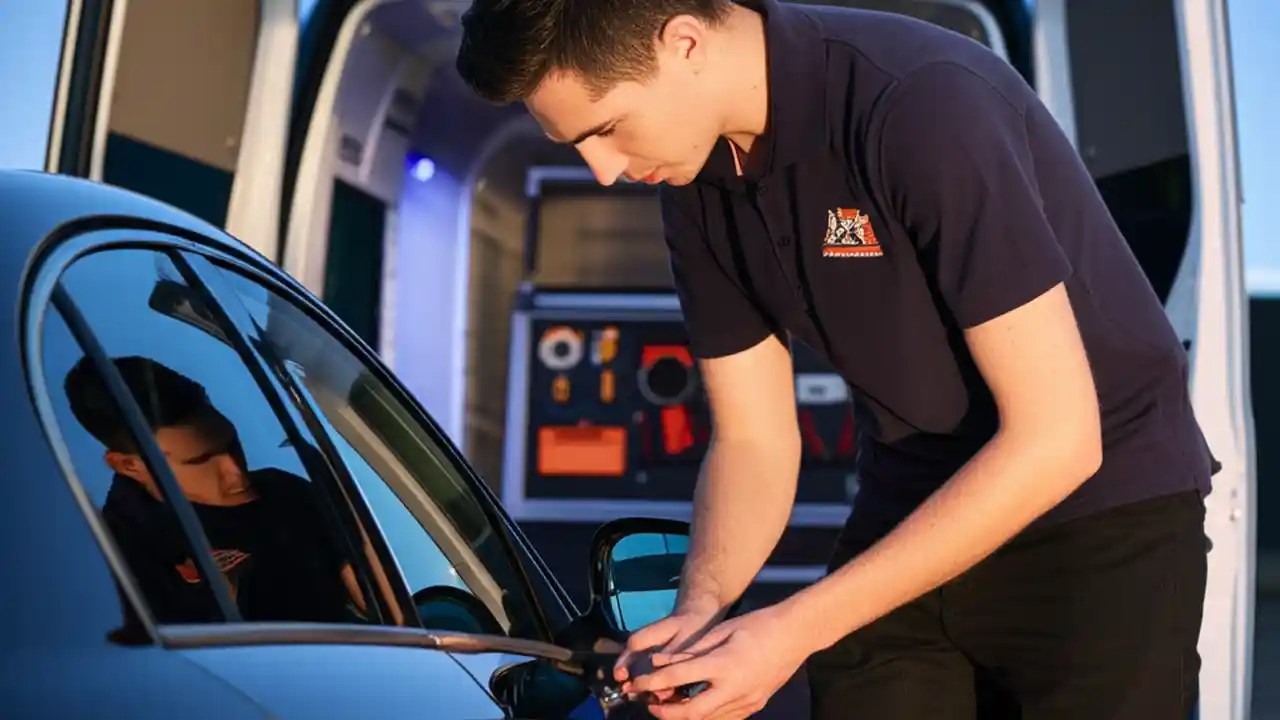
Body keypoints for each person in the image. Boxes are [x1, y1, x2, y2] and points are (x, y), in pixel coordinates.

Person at [455, 1, 1218, 718]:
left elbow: (1057, 438)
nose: (603, 170)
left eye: (608, 128)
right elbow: (755, 440)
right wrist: (699, 615)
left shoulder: (920, 105)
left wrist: (790, 629)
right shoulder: (694, 183)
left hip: (1098, 519)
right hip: (911, 498)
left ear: (684, 42)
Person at [64, 354, 371, 625]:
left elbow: (386, 612)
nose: (235, 471)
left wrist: (336, 489)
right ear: (128, 465)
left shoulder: (288, 495)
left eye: (231, 444)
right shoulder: (114, 560)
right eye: (200, 460)